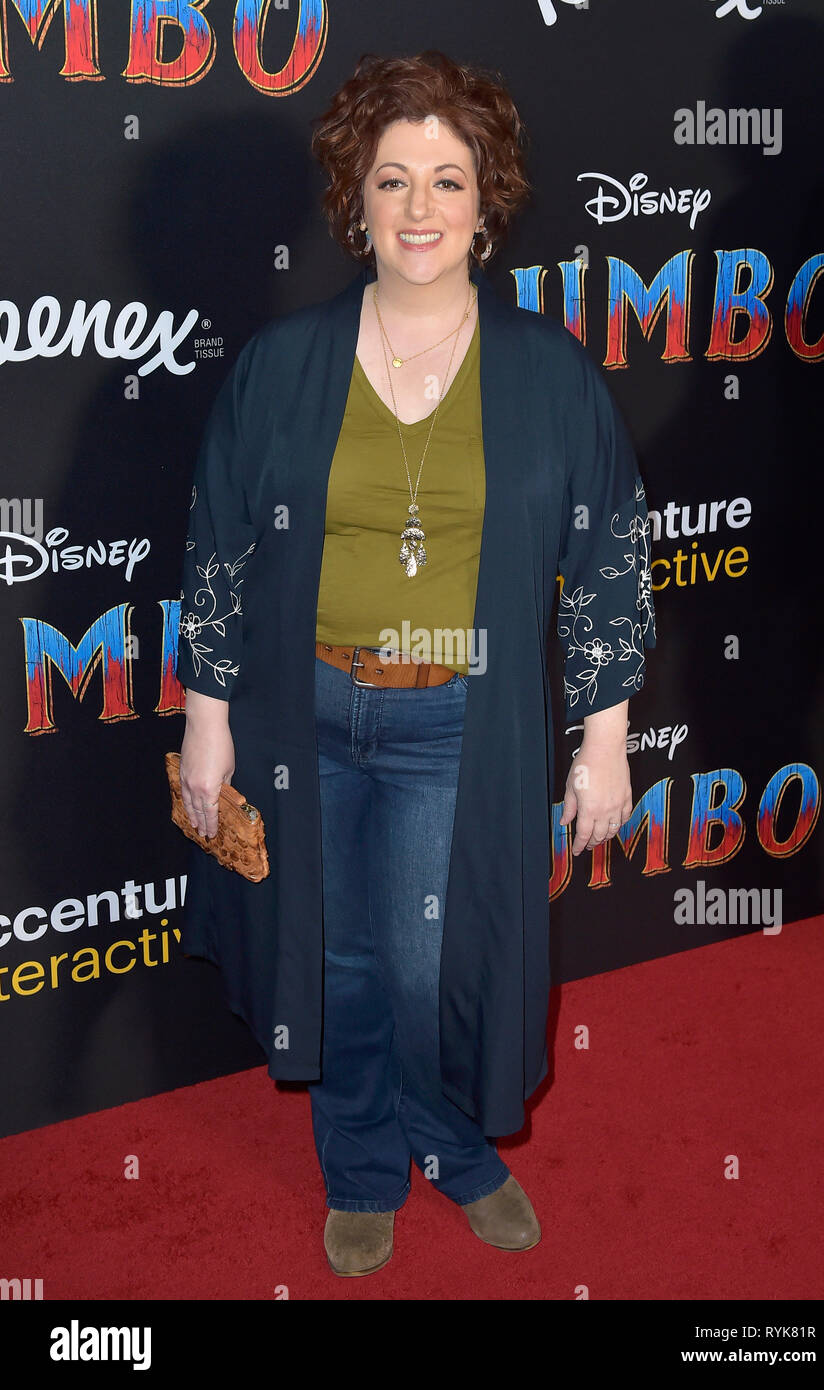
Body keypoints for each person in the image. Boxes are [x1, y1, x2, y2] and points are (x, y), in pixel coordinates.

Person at [176, 49, 656, 1278]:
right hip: (302, 713)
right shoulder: (285, 366)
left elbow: (605, 554)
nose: (422, 209)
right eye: (394, 181)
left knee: (428, 958)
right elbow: (222, 547)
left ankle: (448, 1142)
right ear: (358, 202)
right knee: (331, 956)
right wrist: (207, 722)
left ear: (487, 202)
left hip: (456, 713)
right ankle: (361, 1165)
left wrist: (603, 740)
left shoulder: (546, 370)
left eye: (449, 180)